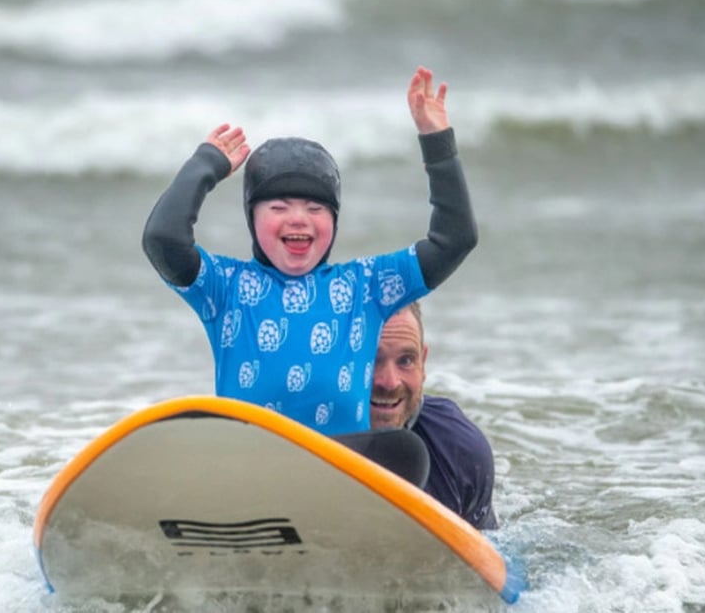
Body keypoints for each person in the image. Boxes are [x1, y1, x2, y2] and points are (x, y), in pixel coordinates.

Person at [142, 67, 477, 436]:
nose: (299, 220)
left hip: (343, 466)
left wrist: (437, 143)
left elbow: (455, 239)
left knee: (406, 453)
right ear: (251, 219)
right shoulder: (226, 289)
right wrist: (205, 166)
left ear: (334, 222)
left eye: (316, 209)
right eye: (279, 207)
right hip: (251, 463)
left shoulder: (366, 286)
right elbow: (163, 240)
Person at [371, 301, 498, 530]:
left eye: (406, 360)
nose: (389, 382)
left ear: (423, 361)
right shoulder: (292, 437)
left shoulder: (458, 451)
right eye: (371, 359)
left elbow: (494, 558)